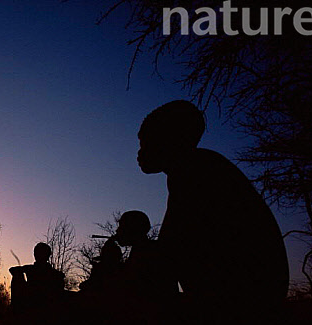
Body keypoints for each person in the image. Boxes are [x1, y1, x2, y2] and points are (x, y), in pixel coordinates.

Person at [137, 100, 289, 307]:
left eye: (145, 141)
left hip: (242, 298)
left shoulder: (195, 168)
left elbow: (171, 245)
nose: (140, 151)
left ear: (168, 139)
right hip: (250, 292)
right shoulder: (202, 166)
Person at [113, 210, 178, 300]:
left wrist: (109, 263)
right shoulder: (144, 250)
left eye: (121, 226)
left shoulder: (148, 253)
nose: (117, 230)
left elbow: (130, 289)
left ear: (132, 229)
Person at [10, 242, 65, 311]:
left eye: (41, 253)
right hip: (33, 303)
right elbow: (13, 270)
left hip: (40, 305)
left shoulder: (56, 275)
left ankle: (16, 310)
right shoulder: (30, 269)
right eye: (37, 253)